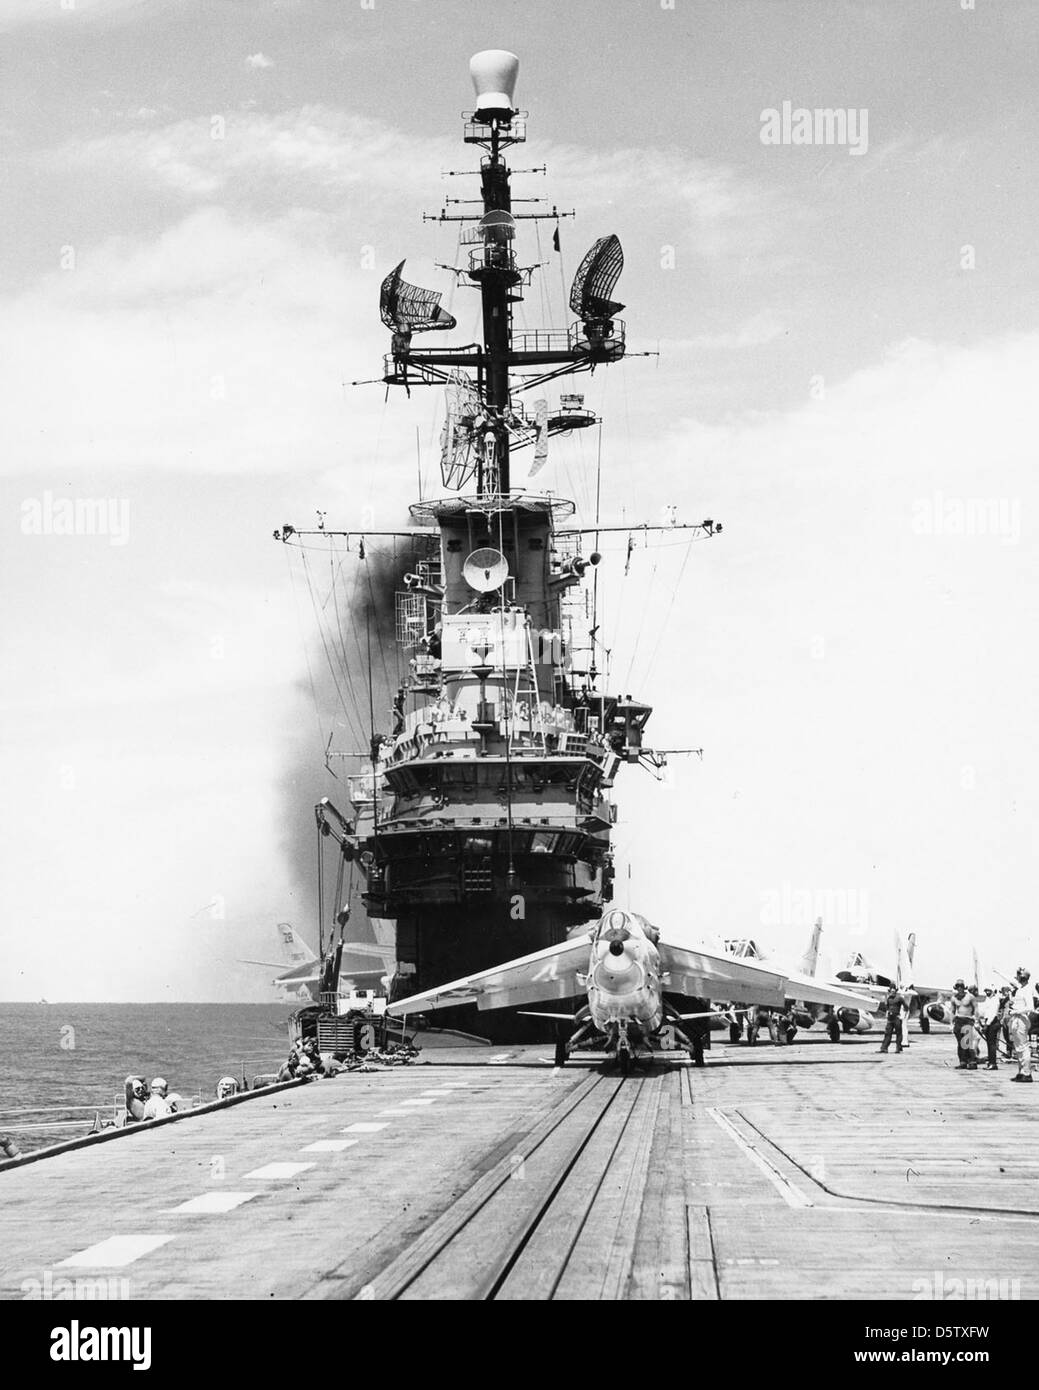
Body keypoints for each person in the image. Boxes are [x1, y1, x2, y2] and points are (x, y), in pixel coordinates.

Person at [1006, 967, 1034, 1083]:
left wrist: (1016, 1011)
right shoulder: (1020, 989)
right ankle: (1021, 1071)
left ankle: (1027, 1072)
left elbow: (1030, 1007)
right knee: (1018, 1048)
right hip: (1016, 1019)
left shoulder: (1027, 990)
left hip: (1021, 1019)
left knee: (1023, 1047)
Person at [950, 980, 978, 1070]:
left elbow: (976, 1008)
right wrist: (951, 1024)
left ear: (964, 987)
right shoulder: (954, 998)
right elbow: (952, 1011)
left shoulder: (970, 997)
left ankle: (972, 1061)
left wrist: (976, 1020)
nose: (959, 988)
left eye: (961, 986)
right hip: (958, 1020)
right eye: (958, 986)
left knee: (966, 1042)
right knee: (960, 1043)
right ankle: (962, 1062)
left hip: (967, 1020)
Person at [977, 987, 1002, 1070]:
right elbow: (985, 1012)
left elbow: (993, 1014)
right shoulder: (988, 999)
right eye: (986, 990)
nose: (987, 992)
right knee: (989, 1043)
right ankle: (991, 1062)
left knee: (992, 1044)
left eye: (989, 991)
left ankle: (993, 1063)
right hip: (988, 1021)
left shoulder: (995, 1000)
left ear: (993, 991)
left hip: (993, 1022)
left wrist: (986, 1025)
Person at [879, 987, 906, 1053]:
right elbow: (887, 1008)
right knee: (887, 1033)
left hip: (897, 1018)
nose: (892, 993)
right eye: (891, 991)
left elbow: (906, 1006)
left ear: (896, 992)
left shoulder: (899, 998)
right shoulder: (889, 999)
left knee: (898, 1033)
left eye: (894, 991)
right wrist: (887, 1013)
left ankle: (898, 1048)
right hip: (890, 1019)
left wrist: (903, 1015)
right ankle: (884, 1048)